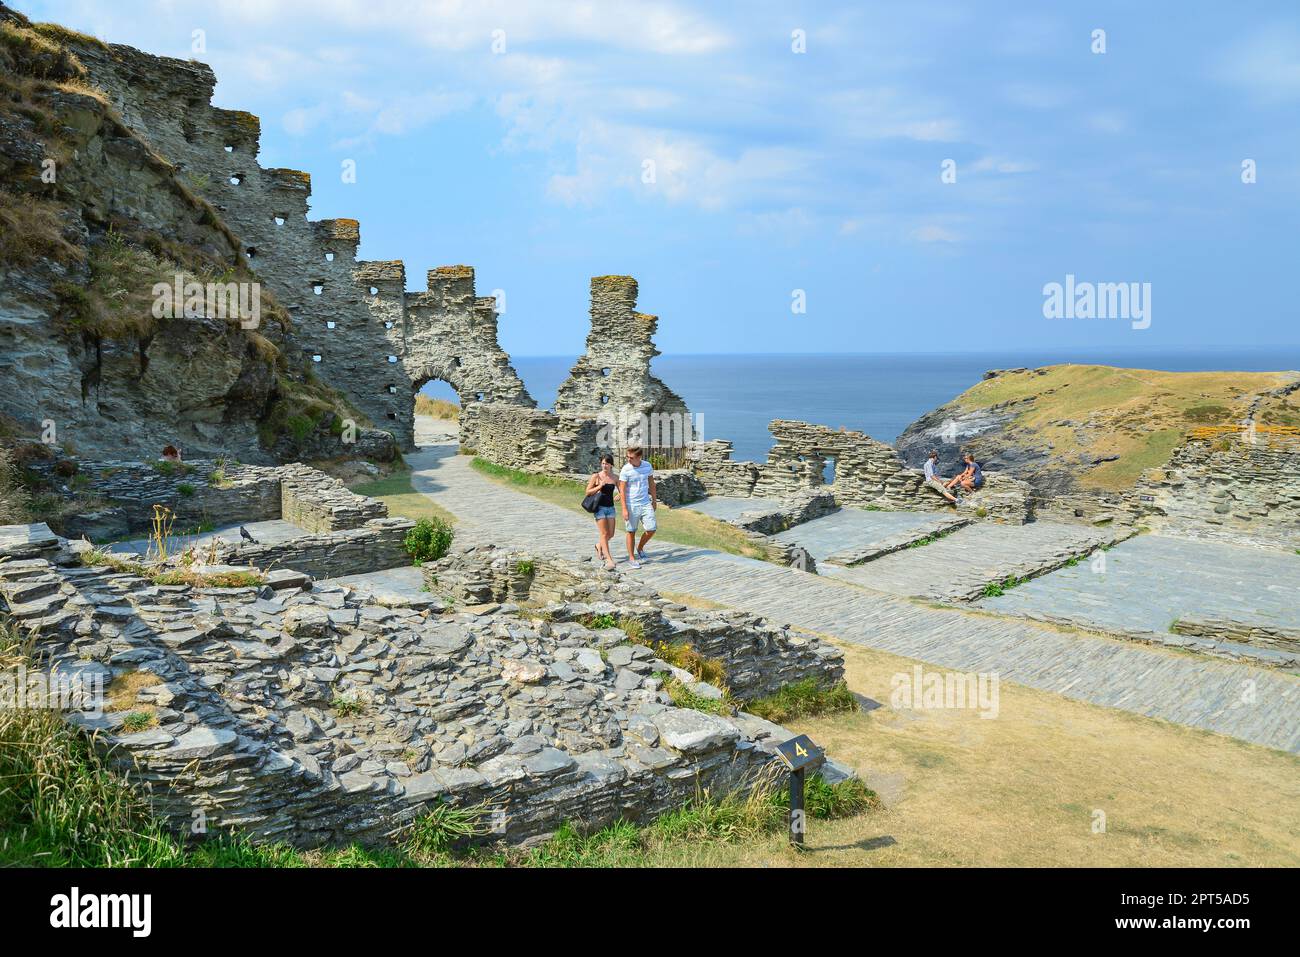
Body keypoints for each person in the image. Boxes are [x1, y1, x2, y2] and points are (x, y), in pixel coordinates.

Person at [618, 446, 657, 569]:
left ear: (639, 457)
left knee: (652, 529)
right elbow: (622, 490)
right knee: (631, 531)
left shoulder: (647, 466)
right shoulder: (625, 469)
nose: (628, 460)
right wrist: (624, 508)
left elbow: (651, 483)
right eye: (627, 457)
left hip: (645, 503)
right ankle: (631, 558)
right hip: (631, 504)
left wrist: (654, 500)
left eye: (631, 457)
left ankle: (640, 548)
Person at [584, 454, 619, 570]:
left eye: (607, 463)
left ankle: (599, 545)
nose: (605, 465)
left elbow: (623, 490)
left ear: (611, 465)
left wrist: (620, 495)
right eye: (603, 463)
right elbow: (588, 492)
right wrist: (599, 486)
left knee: (611, 534)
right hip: (599, 508)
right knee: (604, 534)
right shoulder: (596, 476)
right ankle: (609, 560)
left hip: (611, 508)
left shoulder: (615, 477)